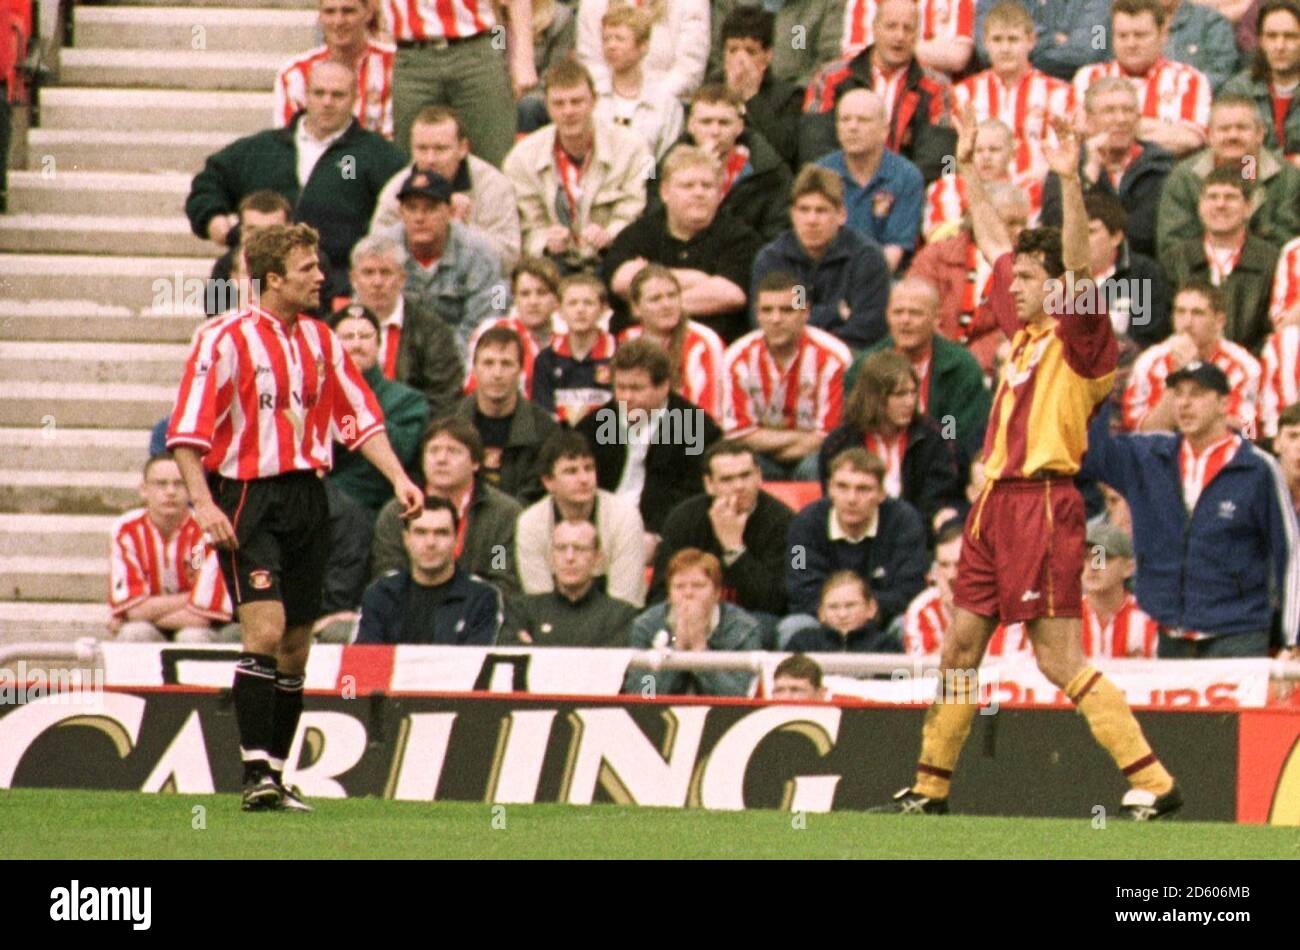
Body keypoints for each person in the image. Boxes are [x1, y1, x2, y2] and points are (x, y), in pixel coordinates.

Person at [875, 111, 1182, 821]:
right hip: (994, 504)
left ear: (1057, 286)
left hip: (1043, 503)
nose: (1010, 286)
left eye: (1028, 278)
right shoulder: (1028, 328)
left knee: (1056, 658)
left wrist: (1069, 178)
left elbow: (1075, 264)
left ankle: (1156, 782)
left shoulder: (1081, 336)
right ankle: (929, 789)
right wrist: (968, 168)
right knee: (959, 648)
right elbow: (989, 241)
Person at [166, 223, 424, 813]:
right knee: (263, 628)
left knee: (297, 644)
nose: (320, 277)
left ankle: (278, 774)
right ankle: (254, 770)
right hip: (249, 495)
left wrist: (399, 478)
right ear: (273, 278)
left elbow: (359, 418)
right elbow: (186, 432)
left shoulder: (322, 340)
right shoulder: (222, 339)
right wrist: (204, 504)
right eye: (307, 268)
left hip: (310, 495)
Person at [1083, 360, 1300, 659]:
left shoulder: (1259, 468)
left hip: (1236, 633)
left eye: (1196, 394)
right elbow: (1092, 457)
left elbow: (1291, 554)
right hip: (1166, 630)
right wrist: (1098, 385)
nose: (1184, 403)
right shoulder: (1150, 456)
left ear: (1224, 403)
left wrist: (1293, 639)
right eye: (1177, 393)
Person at [186, 61, 407, 294]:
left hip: (336, 286)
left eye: (338, 95)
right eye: (319, 93)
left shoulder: (379, 155)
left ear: (355, 98)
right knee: (222, 284)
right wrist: (213, 220)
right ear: (306, 95)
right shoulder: (263, 148)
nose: (327, 102)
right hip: (259, 278)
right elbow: (209, 181)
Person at [604, 144, 764, 344]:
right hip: (639, 350)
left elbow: (731, 295)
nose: (699, 193)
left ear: (719, 193)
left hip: (715, 350)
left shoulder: (741, 237)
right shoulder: (639, 232)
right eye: (688, 186)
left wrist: (650, 299)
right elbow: (621, 281)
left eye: (707, 186)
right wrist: (700, 279)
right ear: (665, 192)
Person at [503, 60, 652, 273]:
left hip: (612, 256)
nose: (568, 111)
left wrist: (611, 234)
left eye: (577, 102)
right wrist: (544, 242)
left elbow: (636, 210)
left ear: (594, 101)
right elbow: (525, 226)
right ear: (547, 106)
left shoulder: (632, 148)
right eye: (559, 104)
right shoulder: (521, 158)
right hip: (552, 264)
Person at [575, 339, 723, 537]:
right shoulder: (595, 425)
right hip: (597, 528)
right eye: (621, 387)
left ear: (663, 387)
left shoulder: (695, 427)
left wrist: (659, 536)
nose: (626, 397)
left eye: (636, 388)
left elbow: (696, 498)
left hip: (661, 533)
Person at [801, 0, 957, 181]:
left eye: (908, 29)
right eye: (891, 26)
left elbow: (939, 161)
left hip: (907, 195)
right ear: (874, 29)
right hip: (839, 193)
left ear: (917, 36)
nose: (900, 36)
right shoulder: (829, 77)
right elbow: (814, 149)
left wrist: (892, 190)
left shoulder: (939, 87)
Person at [845, 276, 993, 464]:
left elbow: (961, 432)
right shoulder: (865, 365)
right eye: (898, 312)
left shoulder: (961, 366)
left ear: (936, 319)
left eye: (915, 313)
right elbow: (852, 429)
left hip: (943, 465)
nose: (905, 320)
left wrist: (940, 452)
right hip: (873, 463)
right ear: (887, 315)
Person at [784, 448, 928, 639]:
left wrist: (860, 611)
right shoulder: (804, 524)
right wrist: (840, 611)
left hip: (881, 622)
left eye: (863, 489)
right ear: (830, 489)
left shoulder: (906, 522)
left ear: (881, 494)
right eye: (842, 487)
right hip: (824, 620)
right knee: (793, 626)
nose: (851, 499)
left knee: (905, 624)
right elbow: (798, 586)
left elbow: (910, 589)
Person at [369, 416, 522, 595]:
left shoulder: (501, 514)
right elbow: (388, 573)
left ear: (475, 462)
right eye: (433, 451)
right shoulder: (398, 511)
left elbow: (500, 573)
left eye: (453, 451)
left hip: (478, 613)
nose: (441, 459)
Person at [723, 271, 851, 481]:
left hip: (814, 455)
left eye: (787, 310)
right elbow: (739, 435)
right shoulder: (737, 357)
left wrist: (763, 439)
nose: (776, 319)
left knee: (815, 466)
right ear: (757, 313)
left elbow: (828, 437)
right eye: (767, 310)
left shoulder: (834, 357)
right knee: (739, 464)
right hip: (761, 457)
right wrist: (802, 439)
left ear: (805, 312)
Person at [750, 165, 892, 352]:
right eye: (804, 209)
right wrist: (835, 312)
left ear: (841, 215)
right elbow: (764, 321)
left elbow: (868, 329)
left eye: (821, 211)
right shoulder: (774, 259)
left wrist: (817, 349)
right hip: (786, 355)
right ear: (792, 214)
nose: (811, 220)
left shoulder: (866, 258)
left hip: (851, 358)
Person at [650, 439, 795, 622]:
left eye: (745, 475)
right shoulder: (684, 518)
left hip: (754, 619)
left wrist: (734, 548)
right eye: (727, 479)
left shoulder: (785, 522)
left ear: (759, 475)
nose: (739, 486)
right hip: (690, 613)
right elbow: (660, 591)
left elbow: (777, 602)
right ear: (709, 484)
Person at [819, 349, 962, 530]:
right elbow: (832, 501)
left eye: (912, 392)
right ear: (875, 397)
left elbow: (937, 497)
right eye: (900, 394)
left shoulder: (933, 437)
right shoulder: (839, 443)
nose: (910, 402)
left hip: (916, 534)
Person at [1039, 78, 1174, 262]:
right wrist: (1089, 175)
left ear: (1138, 117)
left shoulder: (1160, 166)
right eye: (1109, 111)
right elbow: (1057, 226)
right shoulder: (1066, 167)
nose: (1120, 119)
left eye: (1128, 110)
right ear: (1089, 120)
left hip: (1141, 274)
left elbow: (1145, 235)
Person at [369, 105, 522, 268]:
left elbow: (509, 257)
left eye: (440, 149)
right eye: (422, 148)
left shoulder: (493, 186)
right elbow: (376, 253)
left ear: (463, 148)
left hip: (476, 284)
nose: (430, 159)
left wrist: (461, 229)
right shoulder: (396, 190)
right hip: (413, 283)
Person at [388, 0, 535, 169]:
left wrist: (523, 58)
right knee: (412, 162)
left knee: (495, 156)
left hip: (475, 47)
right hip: (412, 55)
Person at [380, 169, 508, 364]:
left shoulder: (480, 254)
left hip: (459, 359)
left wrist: (438, 359)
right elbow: (368, 317)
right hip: (393, 356)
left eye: (430, 208)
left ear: (449, 212)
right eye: (411, 208)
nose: (419, 218)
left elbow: (486, 321)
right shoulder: (379, 251)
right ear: (400, 212)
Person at [108, 452, 232, 644]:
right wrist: (191, 598)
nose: (170, 491)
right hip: (155, 625)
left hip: (199, 628)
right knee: (134, 633)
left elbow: (202, 615)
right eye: (161, 484)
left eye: (179, 483)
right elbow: (134, 610)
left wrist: (142, 611)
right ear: (144, 489)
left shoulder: (207, 531)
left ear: (192, 490)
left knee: (192, 636)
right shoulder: (126, 530)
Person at [515, 429, 647, 606]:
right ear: (548, 481)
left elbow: (625, 602)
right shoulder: (530, 524)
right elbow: (540, 604)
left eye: (589, 468)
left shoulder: (625, 517)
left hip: (616, 626)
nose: (584, 479)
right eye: (571, 471)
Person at [1155, 95, 1300, 255]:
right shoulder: (1184, 177)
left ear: (1260, 134)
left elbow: (1291, 241)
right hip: (1199, 274)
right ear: (1209, 135)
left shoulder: (1287, 177)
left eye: (1242, 128)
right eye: (1224, 129)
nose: (1233, 136)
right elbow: (1172, 244)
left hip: (1269, 273)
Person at [1160, 167, 1282, 354]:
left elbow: (1272, 329)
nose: (1220, 204)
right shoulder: (1176, 259)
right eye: (1212, 197)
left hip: (1253, 367)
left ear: (1249, 208)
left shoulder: (1272, 262)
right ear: (1200, 206)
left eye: (1230, 197)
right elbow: (1160, 324)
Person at [651, 83, 791, 244]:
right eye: (706, 122)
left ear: (739, 127)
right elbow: (653, 220)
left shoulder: (771, 171)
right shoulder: (662, 168)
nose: (715, 131)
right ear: (690, 126)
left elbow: (777, 235)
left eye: (724, 123)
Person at [1072, 0, 1212, 158]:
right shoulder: (1089, 76)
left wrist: (1112, 130)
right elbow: (1080, 131)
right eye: (1123, 36)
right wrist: (1159, 127)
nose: (1131, 44)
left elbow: (1189, 140)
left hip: (1163, 174)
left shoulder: (1189, 79)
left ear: (1163, 35)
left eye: (1140, 35)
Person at [346, 233, 465, 419]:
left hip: (411, 431)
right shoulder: (333, 329)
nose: (377, 282)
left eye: (385, 272)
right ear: (353, 279)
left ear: (402, 278)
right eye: (368, 272)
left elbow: (444, 400)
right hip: (347, 431)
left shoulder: (433, 332)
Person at [355, 495, 503, 644]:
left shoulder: (481, 598)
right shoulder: (381, 594)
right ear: (406, 539)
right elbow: (365, 660)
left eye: (441, 533)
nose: (430, 543)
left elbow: (477, 662)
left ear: (457, 540)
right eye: (421, 532)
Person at [954, 2, 1075, 181]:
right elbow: (949, 158)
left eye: (1013, 39)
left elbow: (1062, 158)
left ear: (1031, 41)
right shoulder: (962, 94)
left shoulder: (1060, 94)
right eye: (997, 40)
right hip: (979, 194)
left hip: (1038, 195)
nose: (1005, 49)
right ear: (985, 42)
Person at [326, 303, 430, 512]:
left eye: (365, 337)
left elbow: (401, 451)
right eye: (347, 337)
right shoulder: (316, 396)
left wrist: (355, 397)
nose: (356, 344)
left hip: (378, 508)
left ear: (379, 344)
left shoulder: (408, 401)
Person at [1123, 281, 1262, 434]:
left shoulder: (1244, 366)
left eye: (1197, 313)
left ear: (1219, 321)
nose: (1187, 323)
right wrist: (1178, 376)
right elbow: (1141, 433)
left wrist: (1197, 373)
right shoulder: (1149, 362)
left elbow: (1250, 431)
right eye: (1180, 312)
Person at [623, 548, 764, 697]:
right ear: (669, 594)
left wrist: (700, 650)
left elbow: (740, 697)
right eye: (679, 587)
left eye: (698, 586)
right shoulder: (646, 626)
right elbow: (643, 694)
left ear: (717, 593)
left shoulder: (743, 629)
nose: (688, 593)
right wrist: (676, 650)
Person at [815, 89, 925, 272]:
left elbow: (893, 253)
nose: (852, 127)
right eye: (845, 119)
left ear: (884, 130)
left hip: (883, 282)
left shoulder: (907, 176)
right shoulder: (820, 174)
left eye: (863, 120)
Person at [454, 325, 560, 499]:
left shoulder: (545, 430)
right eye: (488, 363)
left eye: (506, 364)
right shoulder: (449, 425)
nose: (497, 374)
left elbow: (537, 496)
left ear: (520, 370)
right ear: (474, 368)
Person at [503, 519, 639, 645]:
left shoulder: (620, 615)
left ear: (597, 557)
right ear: (551, 557)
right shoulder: (522, 611)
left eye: (580, 548)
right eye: (561, 548)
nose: (569, 557)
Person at [617, 265, 726, 419]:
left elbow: (708, 417)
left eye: (672, 296)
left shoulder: (704, 343)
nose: (666, 305)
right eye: (655, 299)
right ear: (636, 308)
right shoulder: (627, 340)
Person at [275, 0, 395, 138]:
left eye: (348, 11)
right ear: (319, 15)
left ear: (368, 13)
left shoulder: (394, 66)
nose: (338, 22)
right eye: (330, 12)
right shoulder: (294, 74)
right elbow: (289, 142)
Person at [708, 6, 804, 169]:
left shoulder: (789, 96)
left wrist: (751, 96)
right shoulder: (709, 88)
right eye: (733, 50)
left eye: (750, 52)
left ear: (768, 55)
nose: (741, 61)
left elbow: (785, 153)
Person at [923, 118, 1043, 245]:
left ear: (1012, 153)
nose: (986, 157)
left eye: (994, 150)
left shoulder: (1028, 188)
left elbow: (1033, 237)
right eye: (978, 150)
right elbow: (935, 237)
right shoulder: (947, 186)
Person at [1079, 190, 1172, 350]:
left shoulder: (1144, 275)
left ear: (1116, 237)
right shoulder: (1058, 275)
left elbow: (1147, 338)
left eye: (1090, 232)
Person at [592, 5, 684, 161]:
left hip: (648, 179)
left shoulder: (666, 104)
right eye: (606, 39)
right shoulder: (592, 96)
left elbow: (666, 162)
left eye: (619, 39)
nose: (611, 46)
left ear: (643, 46)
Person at [465, 256, 565, 399]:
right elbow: (474, 387)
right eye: (525, 294)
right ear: (515, 298)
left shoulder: (569, 336)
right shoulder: (493, 329)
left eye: (541, 293)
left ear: (556, 298)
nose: (533, 302)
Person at [575, 0, 709, 100]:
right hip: (606, 102)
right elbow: (591, 63)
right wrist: (614, 102)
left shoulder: (690, 3)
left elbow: (689, 70)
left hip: (668, 103)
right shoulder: (593, 3)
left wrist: (650, 103)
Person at [532, 272, 617, 425]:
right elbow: (543, 414)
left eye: (588, 303)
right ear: (559, 310)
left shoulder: (618, 355)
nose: (580, 310)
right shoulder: (546, 359)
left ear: (603, 309)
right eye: (572, 303)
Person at [1221, 0, 1300, 161]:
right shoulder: (1239, 90)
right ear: (1261, 41)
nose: (1280, 46)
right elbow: (1236, 155)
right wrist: (1288, 165)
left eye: (1290, 37)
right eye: (1271, 36)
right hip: (1249, 179)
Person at [708, 0, 847, 90]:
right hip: (733, 97)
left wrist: (792, 94)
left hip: (796, 102)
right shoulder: (730, 3)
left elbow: (830, 61)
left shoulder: (825, 5)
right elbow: (715, 58)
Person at [972, 0, 1110, 81]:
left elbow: (1094, 52)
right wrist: (1050, 39)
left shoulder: (1101, 2)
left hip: (1077, 90)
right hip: (1007, 90)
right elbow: (985, 50)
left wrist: (1024, 52)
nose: (1006, 48)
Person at [205, 191, 293, 317]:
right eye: (253, 230)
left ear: (289, 229)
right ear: (241, 231)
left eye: (271, 231)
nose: (261, 239)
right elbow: (216, 315)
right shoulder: (226, 265)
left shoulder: (312, 263)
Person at [1080, 524, 1160, 659]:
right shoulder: (1062, 618)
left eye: (1103, 558)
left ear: (1128, 568)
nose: (1093, 567)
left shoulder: (1149, 617)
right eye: (1085, 557)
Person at [842, 0, 976, 75]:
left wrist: (891, 46)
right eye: (891, 26)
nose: (900, 37)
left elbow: (958, 57)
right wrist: (931, 49)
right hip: (873, 91)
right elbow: (857, 58)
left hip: (932, 95)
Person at [787, 570, 900, 652]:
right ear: (821, 612)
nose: (842, 614)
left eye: (850, 606)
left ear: (871, 608)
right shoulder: (803, 643)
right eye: (833, 607)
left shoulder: (887, 645)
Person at [513, 0, 577, 133]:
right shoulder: (499, 23)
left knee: (528, 106)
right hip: (504, 88)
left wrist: (524, 89)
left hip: (540, 92)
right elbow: (498, 53)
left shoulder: (560, 19)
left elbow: (555, 72)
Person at [1160, 0, 1240, 92]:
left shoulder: (1210, 21)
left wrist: (1183, 93)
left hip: (1198, 99)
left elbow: (1221, 72)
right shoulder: (1141, 20)